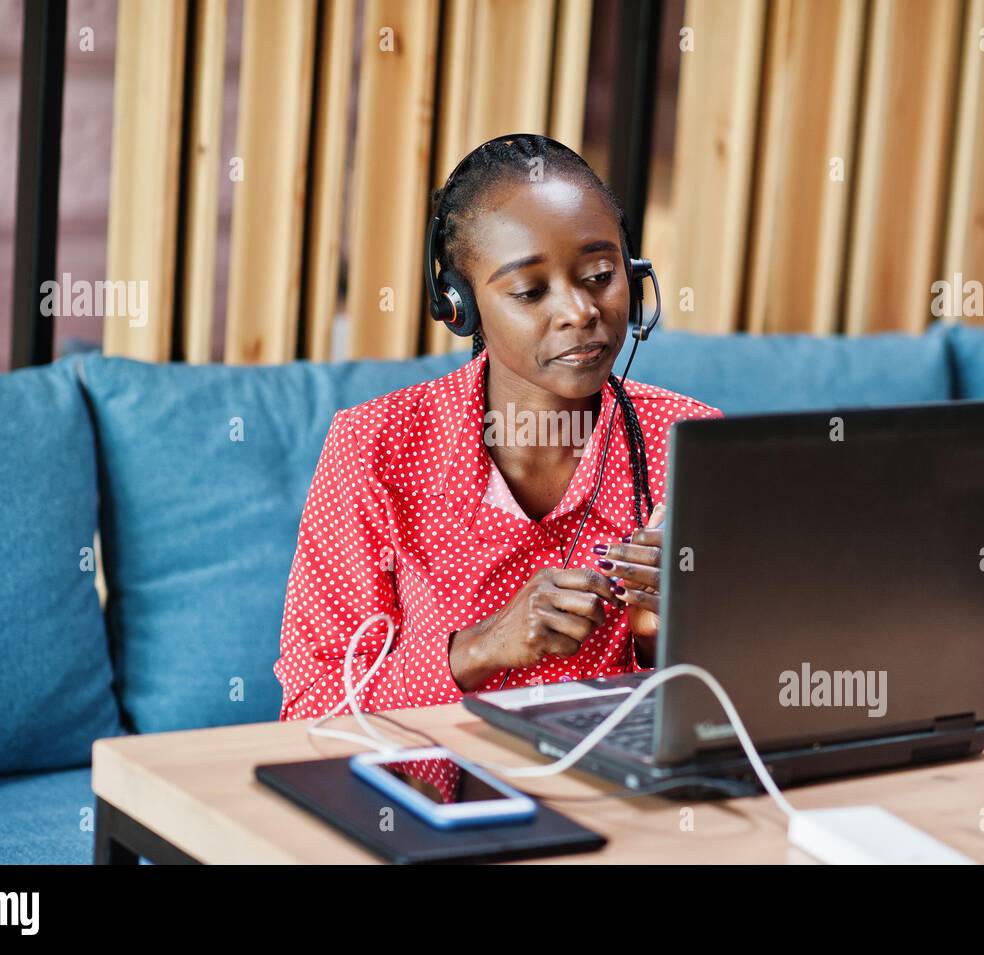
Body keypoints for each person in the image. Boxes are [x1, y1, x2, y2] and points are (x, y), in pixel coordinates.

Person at [275, 134, 722, 721]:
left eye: (600, 274)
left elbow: (741, 702)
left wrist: (658, 637)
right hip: (427, 797)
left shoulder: (689, 441)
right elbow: (312, 708)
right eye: (530, 291)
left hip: (618, 797)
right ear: (460, 306)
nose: (579, 311)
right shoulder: (375, 445)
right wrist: (481, 648)